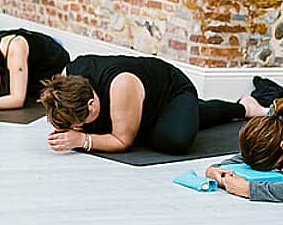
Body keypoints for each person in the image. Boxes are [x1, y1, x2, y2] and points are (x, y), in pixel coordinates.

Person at [40, 54, 253, 155]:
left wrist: (82, 139)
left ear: (92, 103)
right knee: (132, 128)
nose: (77, 128)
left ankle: (244, 108)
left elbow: (122, 141)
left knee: (173, 140)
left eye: (81, 122)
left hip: (170, 93)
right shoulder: (66, 79)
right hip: (133, 102)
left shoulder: (121, 84)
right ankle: (181, 116)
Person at [0, 29, 70, 109]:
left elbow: (17, 99)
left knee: (40, 95)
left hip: (49, 60)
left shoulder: (15, 50)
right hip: (19, 58)